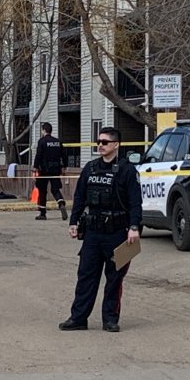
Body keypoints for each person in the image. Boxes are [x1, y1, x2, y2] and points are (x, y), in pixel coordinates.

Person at [60, 126, 142, 333]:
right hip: (93, 232)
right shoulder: (90, 168)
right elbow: (79, 197)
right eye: (99, 142)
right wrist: (73, 222)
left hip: (117, 232)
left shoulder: (127, 170)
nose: (100, 145)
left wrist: (134, 228)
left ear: (116, 145)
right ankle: (78, 318)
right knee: (86, 276)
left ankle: (110, 320)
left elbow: (135, 202)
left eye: (105, 142)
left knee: (115, 278)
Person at [32, 121, 68, 220]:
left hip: (44, 170)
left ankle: (42, 213)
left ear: (44, 130)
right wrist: (64, 166)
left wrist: (35, 167)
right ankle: (61, 203)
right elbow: (64, 155)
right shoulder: (58, 142)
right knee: (55, 189)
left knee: (42, 190)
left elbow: (38, 155)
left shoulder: (42, 141)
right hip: (56, 169)